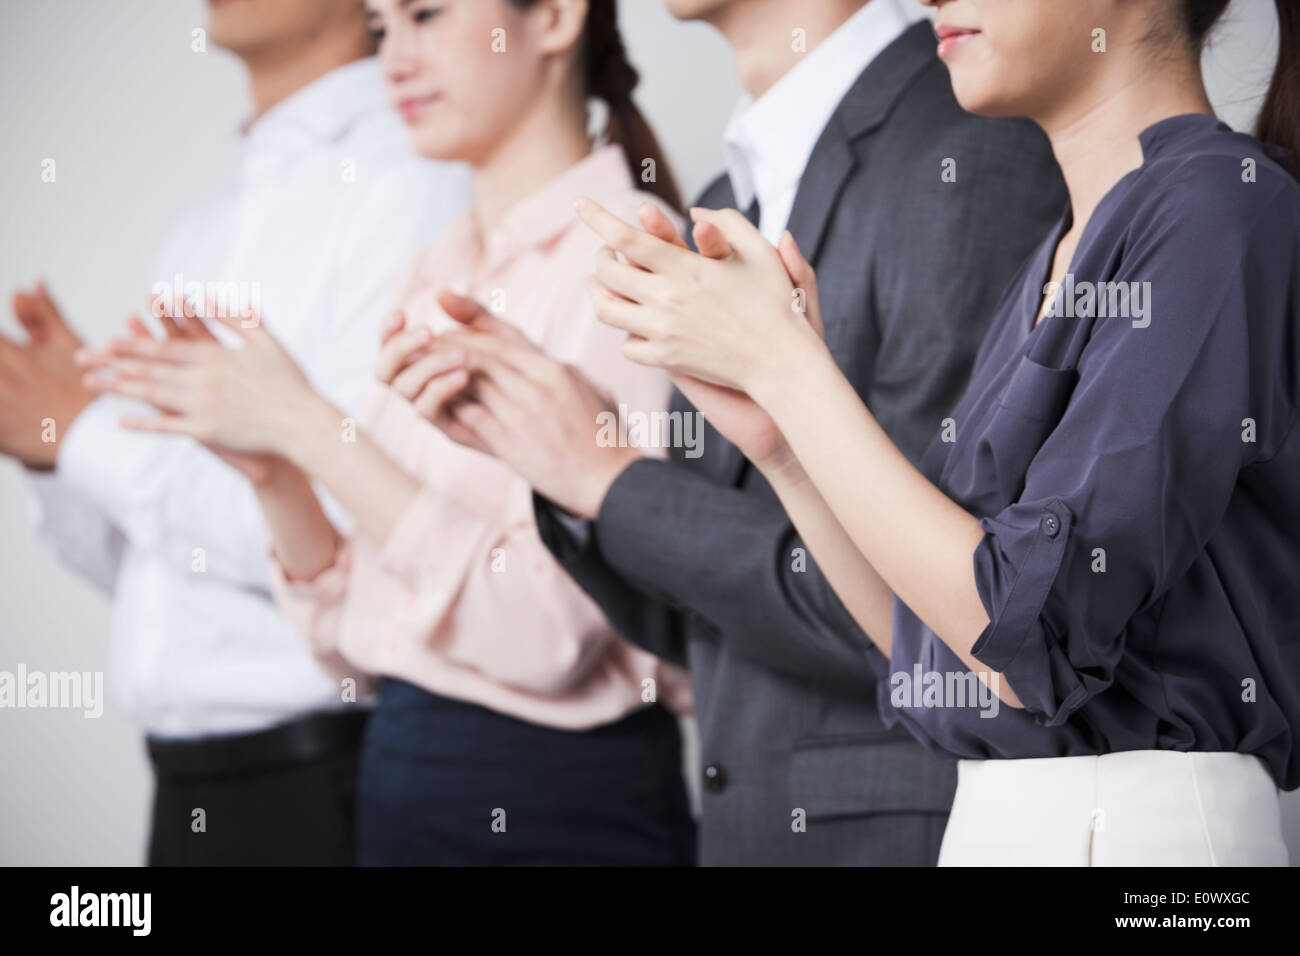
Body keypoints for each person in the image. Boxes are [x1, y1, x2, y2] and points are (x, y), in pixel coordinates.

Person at [570, 0, 1300, 865]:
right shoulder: (1060, 248)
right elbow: (946, 644)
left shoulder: (1218, 207)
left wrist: (787, 369)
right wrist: (783, 445)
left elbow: (1035, 629)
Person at [373, 0, 1066, 864]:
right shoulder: (723, 196)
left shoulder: (970, 142)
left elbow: (947, 620)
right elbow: (699, 628)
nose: (394, 53)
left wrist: (608, 477)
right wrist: (552, 451)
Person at [82, 0, 696, 867]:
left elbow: (549, 637)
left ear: (554, 18)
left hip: (558, 801)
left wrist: (310, 425)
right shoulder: (436, 268)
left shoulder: (625, 260)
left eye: (428, 16)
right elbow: (347, 640)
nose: (395, 60)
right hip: (405, 774)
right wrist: (276, 471)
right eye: (382, 28)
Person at [1, 0, 471, 865]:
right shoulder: (205, 225)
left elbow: (350, 537)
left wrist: (84, 434)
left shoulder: (417, 184)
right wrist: (50, 445)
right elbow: (153, 567)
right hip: (190, 793)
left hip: (326, 778)